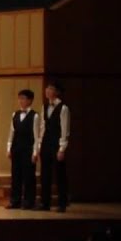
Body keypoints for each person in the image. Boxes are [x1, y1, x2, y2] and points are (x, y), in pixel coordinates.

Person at [38, 83, 70, 212]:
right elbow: (42, 127)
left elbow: (65, 129)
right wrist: (40, 144)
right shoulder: (44, 106)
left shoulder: (63, 108)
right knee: (45, 174)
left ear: (57, 92)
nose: (47, 90)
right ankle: (45, 203)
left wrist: (62, 148)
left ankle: (62, 204)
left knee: (59, 174)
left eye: (50, 89)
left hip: (57, 144)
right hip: (46, 143)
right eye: (47, 88)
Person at [6, 89, 40, 210]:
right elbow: (11, 133)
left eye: (24, 98)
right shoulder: (15, 114)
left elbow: (37, 136)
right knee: (16, 176)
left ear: (30, 100)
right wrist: (9, 148)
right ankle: (15, 201)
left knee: (29, 176)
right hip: (16, 149)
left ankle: (29, 201)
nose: (21, 101)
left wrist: (35, 152)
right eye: (20, 98)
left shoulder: (34, 116)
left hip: (28, 149)